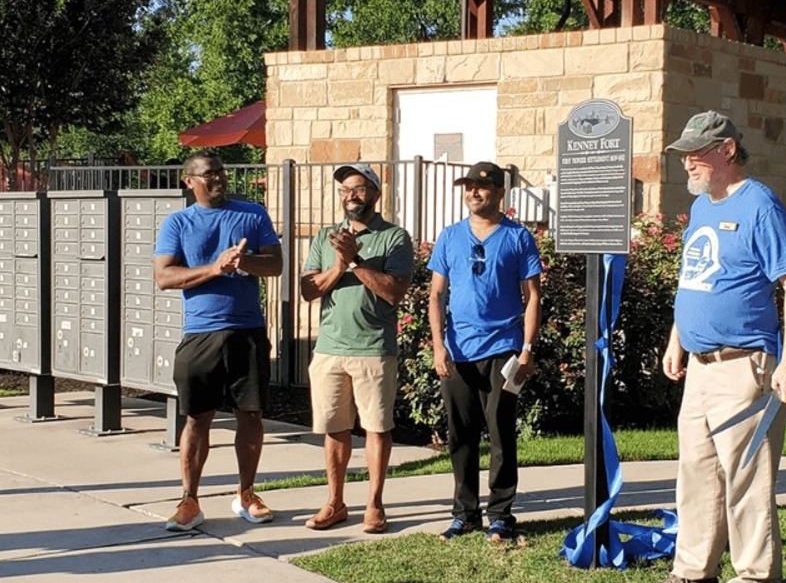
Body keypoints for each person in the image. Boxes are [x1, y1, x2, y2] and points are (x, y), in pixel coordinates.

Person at [638, 111, 786, 583]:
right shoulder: (701, 207)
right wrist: (677, 340)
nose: (687, 162)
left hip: (745, 365)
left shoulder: (760, 205)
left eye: (697, 153)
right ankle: (695, 572)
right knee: (696, 473)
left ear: (728, 150)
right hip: (700, 365)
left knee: (746, 479)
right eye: (684, 154)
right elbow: (695, 277)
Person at [154, 151, 284, 531]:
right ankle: (189, 501)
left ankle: (246, 494)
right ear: (189, 181)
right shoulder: (178, 222)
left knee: (251, 415)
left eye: (221, 172)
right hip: (201, 333)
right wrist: (215, 268)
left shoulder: (252, 214)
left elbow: (275, 265)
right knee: (197, 417)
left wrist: (242, 262)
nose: (218, 179)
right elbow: (164, 277)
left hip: (247, 331)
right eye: (209, 174)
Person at [428, 161, 543, 543]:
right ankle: (464, 514)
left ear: (499, 192)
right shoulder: (449, 237)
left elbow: (533, 296)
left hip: (504, 348)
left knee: (500, 432)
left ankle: (500, 515)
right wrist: (438, 346)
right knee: (460, 435)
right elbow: (436, 294)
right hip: (458, 350)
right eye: (468, 188)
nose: (473, 193)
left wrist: (526, 350)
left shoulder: (517, 237)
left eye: (481, 187)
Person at [300, 164, 413, 532]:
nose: (351, 195)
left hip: (374, 348)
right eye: (345, 189)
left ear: (376, 193)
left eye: (359, 188)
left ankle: (374, 504)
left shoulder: (394, 237)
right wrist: (339, 265)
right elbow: (307, 290)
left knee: (377, 428)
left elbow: (394, 292)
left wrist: (356, 261)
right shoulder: (326, 237)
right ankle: (334, 502)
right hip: (329, 349)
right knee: (335, 428)